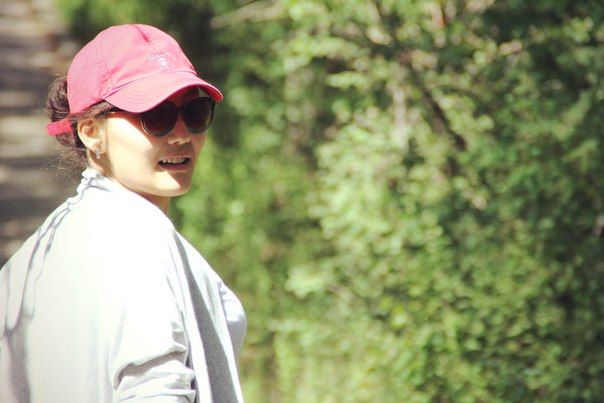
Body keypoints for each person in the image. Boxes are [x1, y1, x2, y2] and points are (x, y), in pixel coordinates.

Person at [0, 24, 246, 402]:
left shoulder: (45, 247)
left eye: (196, 112)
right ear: (90, 131)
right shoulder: (137, 240)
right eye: (156, 115)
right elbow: (157, 388)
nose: (182, 134)